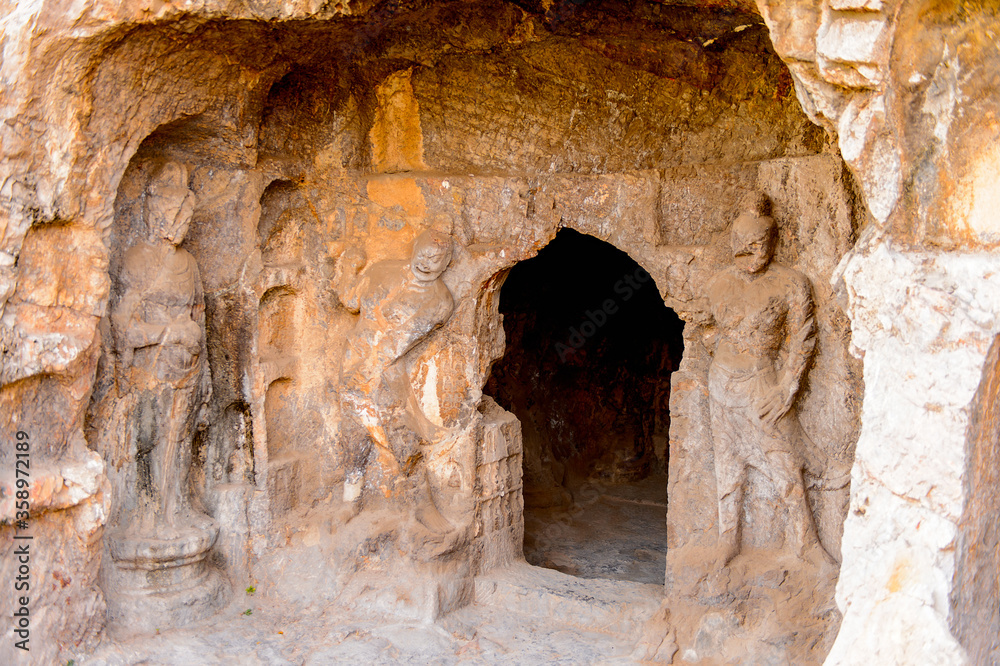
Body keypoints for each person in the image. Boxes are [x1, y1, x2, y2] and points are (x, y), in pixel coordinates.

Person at [703, 193, 830, 566]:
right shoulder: (719, 283)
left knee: (785, 464)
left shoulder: (791, 283)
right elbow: (705, 328)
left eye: (758, 245)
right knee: (727, 465)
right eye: (743, 246)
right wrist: (725, 350)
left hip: (763, 385)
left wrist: (786, 389)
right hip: (721, 384)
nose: (751, 254)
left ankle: (805, 542)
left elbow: (802, 339)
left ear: (773, 242)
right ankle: (729, 540)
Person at [111, 160, 213, 535]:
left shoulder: (189, 263)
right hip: (150, 371)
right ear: (158, 215)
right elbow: (124, 329)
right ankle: (146, 513)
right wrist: (169, 331)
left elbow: (199, 316)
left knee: (180, 439)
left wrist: (204, 373)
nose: (183, 225)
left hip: (188, 367)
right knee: (149, 439)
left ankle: (175, 509)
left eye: (188, 217)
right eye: (178, 215)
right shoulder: (137, 259)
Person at [334, 229, 455, 531]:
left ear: (446, 263)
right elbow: (350, 300)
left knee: (400, 436)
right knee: (354, 433)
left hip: (386, 374)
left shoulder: (439, 300)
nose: (427, 263)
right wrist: (349, 267)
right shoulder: (381, 269)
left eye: (437, 259)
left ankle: (422, 503)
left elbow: (399, 341)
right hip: (353, 361)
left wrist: (369, 369)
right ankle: (351, 499)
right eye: (424, 254)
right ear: (414, 248)